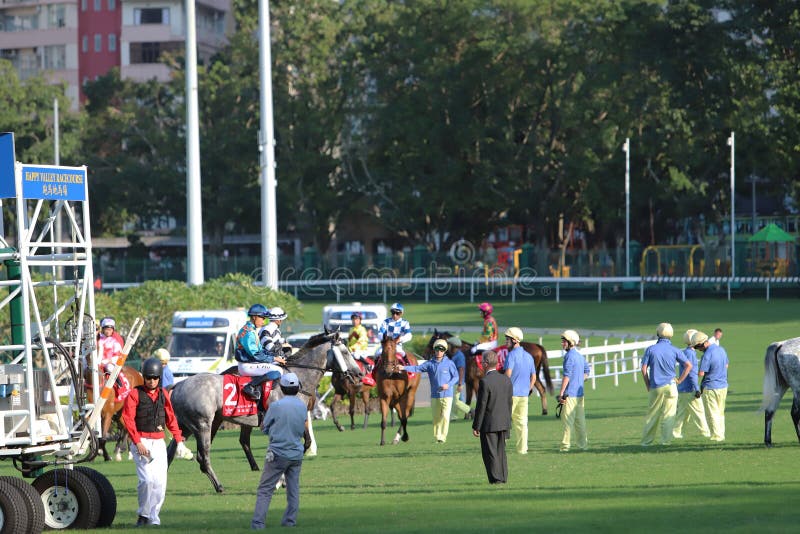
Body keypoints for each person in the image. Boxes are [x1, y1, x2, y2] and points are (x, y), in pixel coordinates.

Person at [121, 357, 190, 527]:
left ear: (159, 378)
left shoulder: (163, 394)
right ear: (144, 377)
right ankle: (143, 514)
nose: (151, 381)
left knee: (159, 483)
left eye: (155, 378)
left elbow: (171, 419)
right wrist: (137, 442)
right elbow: (128, 419)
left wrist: (179, 441)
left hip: (159, 443)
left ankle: (153, 517)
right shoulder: (134, 394)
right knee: (146, 480)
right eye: (148, 377)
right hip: (141, 442)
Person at [251, 373, 309, 529]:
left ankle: (258, 523)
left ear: (282, 388)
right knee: (293, 489)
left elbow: (264, 427)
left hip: (277, 453)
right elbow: (303, 426)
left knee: (265, 489)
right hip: (296, 453)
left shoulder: (275, 406)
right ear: (297, 388)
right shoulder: (302, 406)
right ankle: (290, 521)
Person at [640, 323, 692, 446]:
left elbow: (643, 369)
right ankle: (666, 441)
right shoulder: (674, 349)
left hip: (656, 386)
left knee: (653, 415)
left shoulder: (651, 349)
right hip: (671, 385)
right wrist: (680, 380)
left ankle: (647, 442)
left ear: (658, 333)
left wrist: (647, 384)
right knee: (669, 415)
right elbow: (688, 365)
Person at [472, 350, 512, 484]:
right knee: (501, 452)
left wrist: (476, 426)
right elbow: (509, 402)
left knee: (490, 452)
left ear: (485, 364)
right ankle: (503, 476)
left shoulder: (485, 382)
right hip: (504, 421)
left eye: (482, 361)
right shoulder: (506, 379)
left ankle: (496, 479)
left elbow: (481, 406)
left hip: (489, 423)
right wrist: (508, 422)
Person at [237, 304, 284, 401]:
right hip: (247, 365)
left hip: (250, 363)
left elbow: (261, 350)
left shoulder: (251, 329)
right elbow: (256, 355)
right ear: (254, 317)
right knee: (279, 371)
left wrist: (275, 356)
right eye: (262, 318)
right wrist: (273, 358)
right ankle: (250, 386)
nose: (264, 321)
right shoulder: (249, 333)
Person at [502, 327, 536, 454]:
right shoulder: (529, 356)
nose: (506, 342)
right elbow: (534, 377)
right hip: (524, 395)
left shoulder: (511, 355)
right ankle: (522, 450)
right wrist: (528, 389)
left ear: (515, 340)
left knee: (503, 421)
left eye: (507, 339)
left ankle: (500, 447)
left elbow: (508, 375)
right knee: (522, 423)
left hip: (510, 395)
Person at [672, 329, 710, 439]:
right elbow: (692, 373)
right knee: (699, 412)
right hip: (689, 389)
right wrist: (697, 389)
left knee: (682, 414)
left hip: (682, 389)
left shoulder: (685, 352)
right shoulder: (691, 354)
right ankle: (706, 433)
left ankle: (675, 433)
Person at [692, 331, 730, 442]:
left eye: (698, 347)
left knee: (712, 413)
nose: (698, 350)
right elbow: (726, 365)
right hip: (723, 386)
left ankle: (716, 437)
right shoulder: (721, 349)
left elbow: (701, 373)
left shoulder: (707, 355)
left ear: (703, 344)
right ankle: (721, 435)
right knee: (720, 412)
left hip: (710, 387)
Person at [556, 330, 590, 452]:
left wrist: (561, 393)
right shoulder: (580, 356)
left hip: (569, 395)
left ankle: (565, 447)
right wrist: (579, 380)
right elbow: (587, 372)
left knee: (567, 423)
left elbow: (567, 376)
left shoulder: (569, 356)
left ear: (571, 342)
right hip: (580, 395)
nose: (562, 344)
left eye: (564, 341)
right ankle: (583, 446)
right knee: (580, 422)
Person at [97, 317, 130, 398]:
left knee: (109, 368)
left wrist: (107, 361)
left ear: (113, 330)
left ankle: (120, 385)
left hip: (109, 363)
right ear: (103, 329)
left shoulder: (114, 342)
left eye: (110, 329)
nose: (108, 331)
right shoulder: (99, 339)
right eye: (106, 329)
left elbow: (118, 355)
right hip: (97, 362)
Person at [447, 336, 467, 405]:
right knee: (455, 401)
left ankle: (469, 410)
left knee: (458, 401)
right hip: (454, 382)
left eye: (449, 344)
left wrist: (460, 384)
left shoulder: (459, 356)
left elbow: (461, 370)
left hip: (457, 383)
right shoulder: (454, 355)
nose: (448, 346)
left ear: (453, 346)